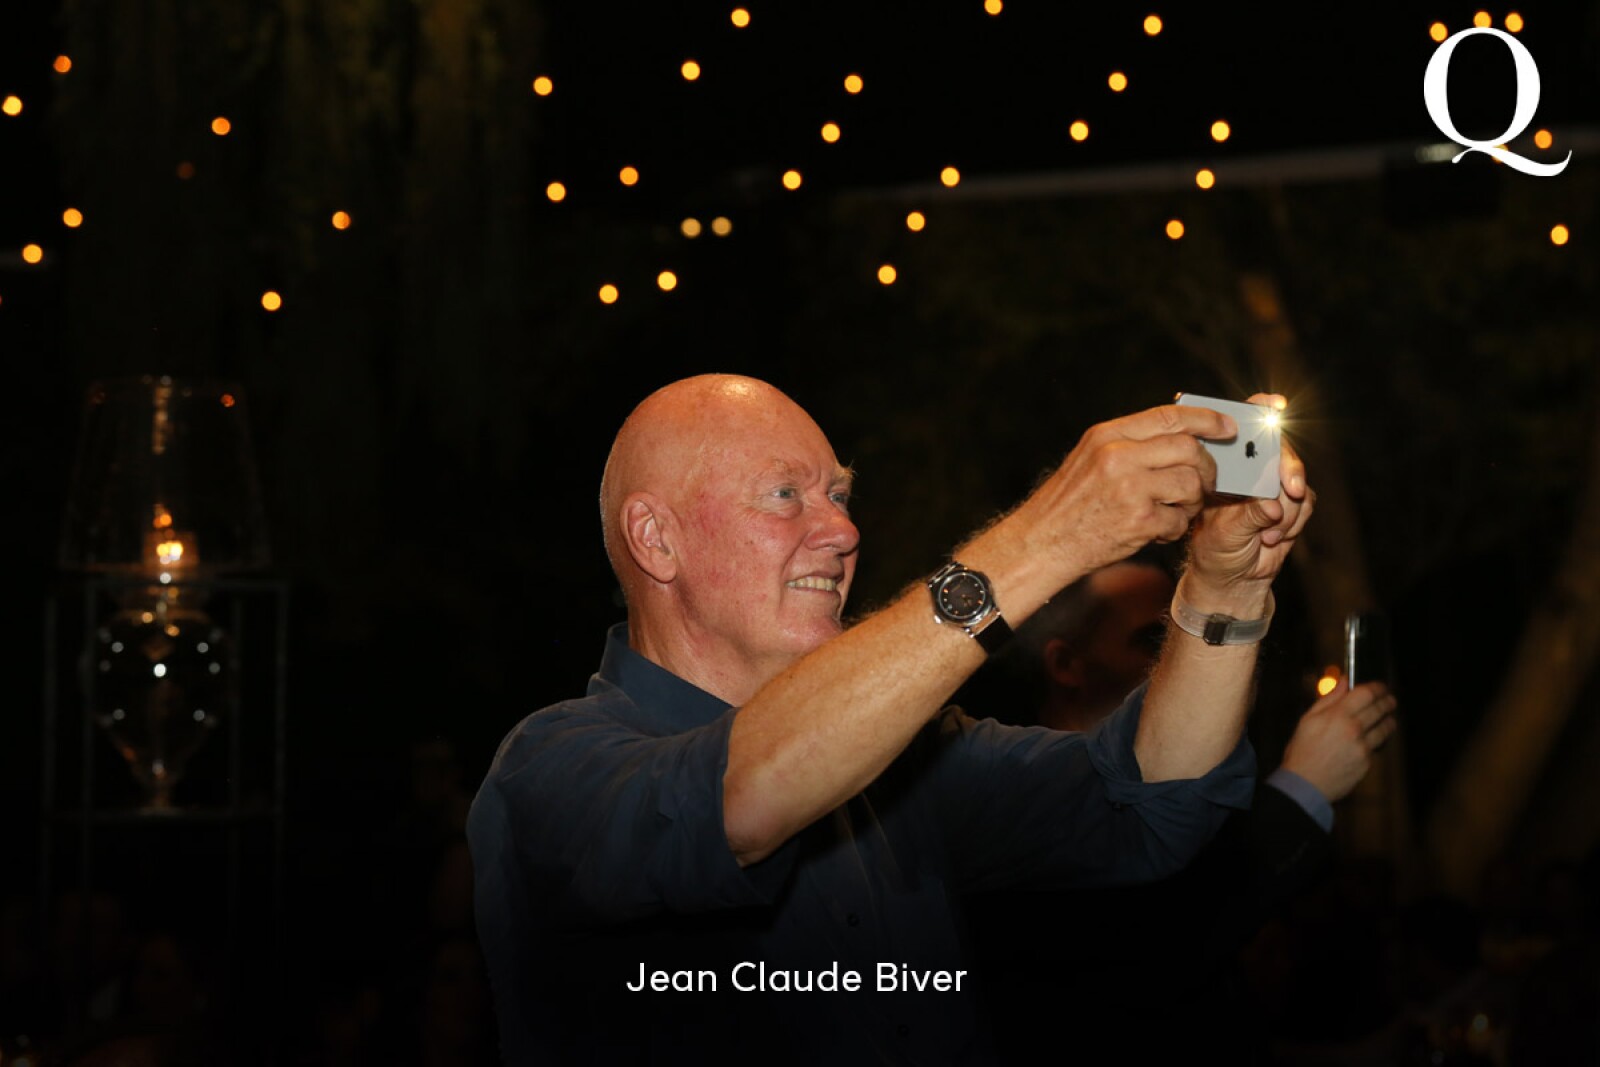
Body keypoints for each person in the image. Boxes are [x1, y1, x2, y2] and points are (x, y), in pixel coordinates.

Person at [466, 374, 1314, 1063]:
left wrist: (1222, 589)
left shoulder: (906, 764)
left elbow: (1154, 796)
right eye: (785, 494)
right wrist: (1050, 536)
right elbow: (741, 798)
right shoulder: (550, 769)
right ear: (656, 539)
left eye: (838, 494)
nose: (841, 528)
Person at [964, 557, 1398, 1061]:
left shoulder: (1203, 790)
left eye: (1189, 630)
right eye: (1155, 639)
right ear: (1066, 666)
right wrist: (1304, 787)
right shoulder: (1010, 802)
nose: (1186, 653)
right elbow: (1149, 952)